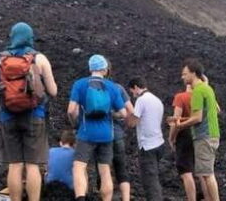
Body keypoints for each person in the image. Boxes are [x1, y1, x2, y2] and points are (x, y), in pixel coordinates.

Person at [0, 22, 58, 201]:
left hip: (7, 116)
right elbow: (53, 91)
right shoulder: (39, 58)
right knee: (32, 166)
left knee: (14, 165)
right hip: (34, 116)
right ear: (30, 37)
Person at [67, 55, 127, 201]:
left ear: (90, 68)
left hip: (86, 132)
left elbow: (71, 110)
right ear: (105, 70)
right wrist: (110, 114)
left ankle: (81, 198)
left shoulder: (80, 84)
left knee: (79, 166)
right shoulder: (112, 87)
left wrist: (75, 121)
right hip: (107, 134)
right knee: (105, 169)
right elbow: (123, 113)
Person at [175, 59, 221, 201]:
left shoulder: (198, 91)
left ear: (193, 74)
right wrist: (182, 120)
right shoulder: (207, 88)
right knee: (206, 173)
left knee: (207, 174)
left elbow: (197, 118)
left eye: (185, 74)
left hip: (204, 135)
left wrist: (180, 125)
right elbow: (216, 110)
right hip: (212, 134)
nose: (182, 77)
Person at [126, 77, 165, 201]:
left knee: (150, 181)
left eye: (132, 91)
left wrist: (125, 114)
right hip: (159, 143)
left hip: (147, 146)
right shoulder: (157, 100)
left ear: (136, 87)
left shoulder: (141, 100)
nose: (133, 94)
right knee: (154, 177)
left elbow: (133, 122)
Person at [104, 63, 134, 201]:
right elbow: (130, 111)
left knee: (103, 170)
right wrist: (124, 124)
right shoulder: (118, 88)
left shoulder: (90, 87)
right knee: (121, 167)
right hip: (117, 133)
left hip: (100, 135)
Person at [168, 83, 197, 201]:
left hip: (185, 136)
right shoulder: (201, 97)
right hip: (200, 134)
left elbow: (176, 120)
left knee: (186, 171)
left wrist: (171, 137)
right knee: (200, 170)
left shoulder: (181, 97)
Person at [45, 129, 76, 195]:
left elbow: (47, 168)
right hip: (69, 185)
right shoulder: (75, 154)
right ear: (74, 144)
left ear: (60, 142)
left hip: (50, 183)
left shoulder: (51, 151)